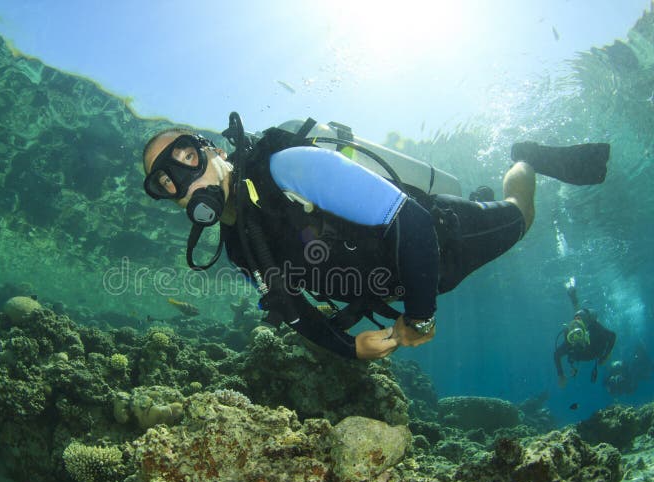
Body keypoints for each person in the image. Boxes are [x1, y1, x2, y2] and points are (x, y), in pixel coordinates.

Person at [142, 113, 611, 360]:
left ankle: (525, 158)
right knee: (490, 207)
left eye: (184, 158)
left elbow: (412, 223)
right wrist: (350, 348)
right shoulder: (241, 246)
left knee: (521, 217)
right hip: (410, 279)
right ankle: (484, 194)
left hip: (444, 239)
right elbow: (293, 311)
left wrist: (421, 319)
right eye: (163, 182)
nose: (181, 182)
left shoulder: (285, 167)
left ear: (215, 151)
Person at [553, 278, 616, 387]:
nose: (576, 340)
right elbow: (556, 355)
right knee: (578, 316)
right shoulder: (569, 344)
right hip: (583, 326)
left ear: (585, 332)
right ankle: (574, 299)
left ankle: (575, 301)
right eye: (572, 337)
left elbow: (612, 336)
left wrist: (606, 356)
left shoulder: (596, 331)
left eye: (578, 334)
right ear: (569, 337)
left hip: (591, 328)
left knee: (584, 318)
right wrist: (561, 375)